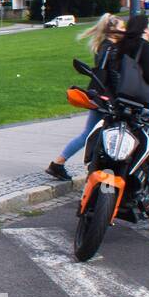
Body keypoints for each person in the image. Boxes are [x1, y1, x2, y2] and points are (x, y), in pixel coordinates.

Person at [46, 13, 124, 181]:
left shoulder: (104, 46)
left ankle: (63, 163)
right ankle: (61, 164)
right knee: (94, 134)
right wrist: (120, 97)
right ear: (114, 31)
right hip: (105, 98)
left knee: (92, 134)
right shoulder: (111, 48)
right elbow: (113, 76)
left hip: (98, 96)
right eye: (122, 28)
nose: (125, 31)